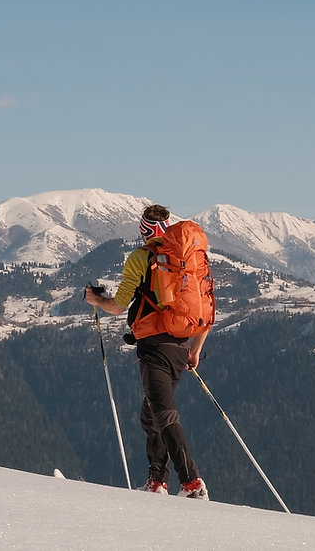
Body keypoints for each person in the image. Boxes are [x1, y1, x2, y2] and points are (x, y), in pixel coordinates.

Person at [84, 204, 210, 500]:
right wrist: (194, 350)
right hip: (181, 346)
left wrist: (95, 300)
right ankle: (157, 482)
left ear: (143, 230)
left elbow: (118, 307)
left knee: (163, 415)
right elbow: (204, 310)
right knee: (150, 414)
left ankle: (192, 484)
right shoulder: (188, 260)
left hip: (154, 346)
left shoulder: (140, 259)